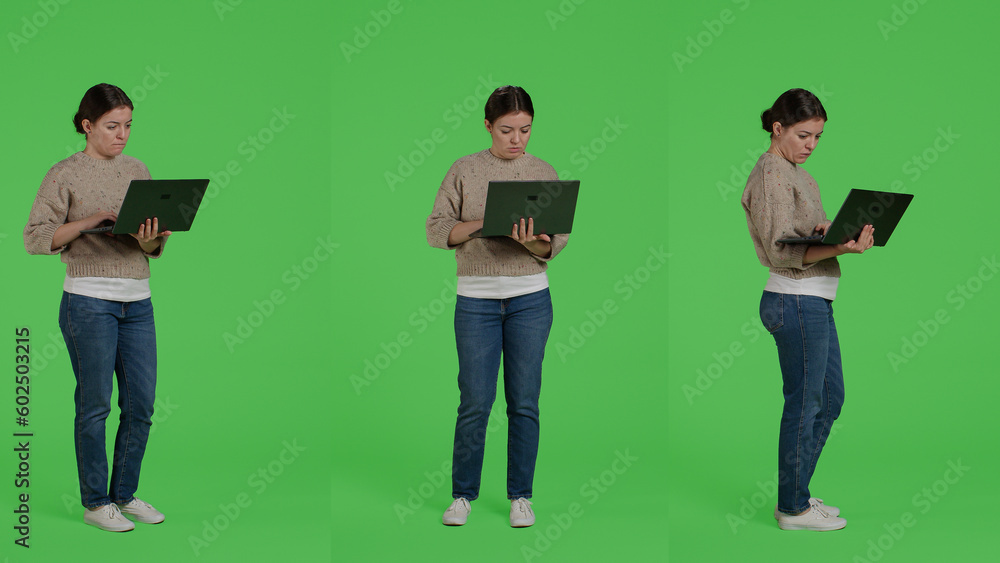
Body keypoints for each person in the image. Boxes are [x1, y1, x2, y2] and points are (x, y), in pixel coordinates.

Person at [24, 83, 170, 533]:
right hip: (88, 303)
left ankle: (124, 496)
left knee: (141, 404)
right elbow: (35, 238)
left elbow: (152, 247)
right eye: (112, 126)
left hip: (137, 302)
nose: (122, 134)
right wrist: (89, 222)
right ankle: (95, 502)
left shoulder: (138, 169)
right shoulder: (64, 174)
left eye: (128, 125)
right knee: (95, 407)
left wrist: (149, 236)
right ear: (87, 126)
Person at [426, 85, 568, 528]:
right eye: (506, 130)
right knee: (475, 400)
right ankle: (462, 495)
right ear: (488, 126)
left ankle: (520, 496)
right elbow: (436, 231)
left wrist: (533, 241)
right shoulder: (464, 170)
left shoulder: (543, 170)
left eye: (525, 130)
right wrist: (484, 226)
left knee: (524, 401)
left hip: (530, 298)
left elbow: (556, 242)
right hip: (476, 302)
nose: (516, 139)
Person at [741, 88, 874, 531]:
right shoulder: (771, 172)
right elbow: (781, 248)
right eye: (802, 135)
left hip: (814, 299)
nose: (810, 145)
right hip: (793, 301)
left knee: (830, 399)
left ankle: (795, 492)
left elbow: (801, 234)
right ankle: (793, 509)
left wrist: (829, 233)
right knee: (805, 403)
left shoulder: (802, 175)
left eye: (817, 136)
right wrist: (839, 245)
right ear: (777, 129)